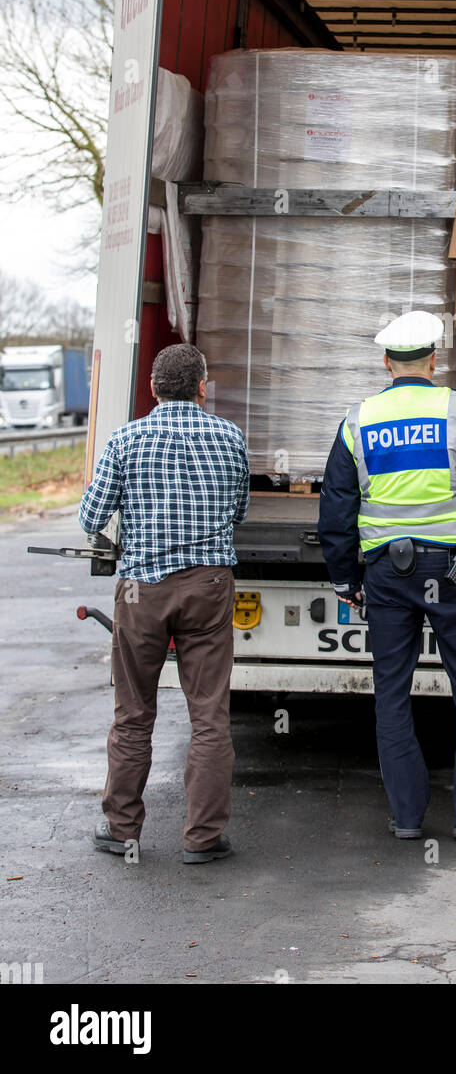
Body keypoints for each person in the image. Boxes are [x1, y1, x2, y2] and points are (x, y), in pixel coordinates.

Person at [318, 310, 456, 842]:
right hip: (451, 572)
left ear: (387, 363)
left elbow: (337, 507)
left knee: (390, 690)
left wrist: (345, 578)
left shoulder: (358, 420)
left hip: (386, 573)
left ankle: (408, 817)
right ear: (434, 360)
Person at [79, 343, 249, 864]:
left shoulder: (126, 439)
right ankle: (202, 838)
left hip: (140, 589)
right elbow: (239, 509)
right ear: (202, 386)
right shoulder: (229, 436)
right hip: (209, 586)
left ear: (153, 388)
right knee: (209, 717)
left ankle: (123, 829)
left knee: (133, 714)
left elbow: (91, 518)